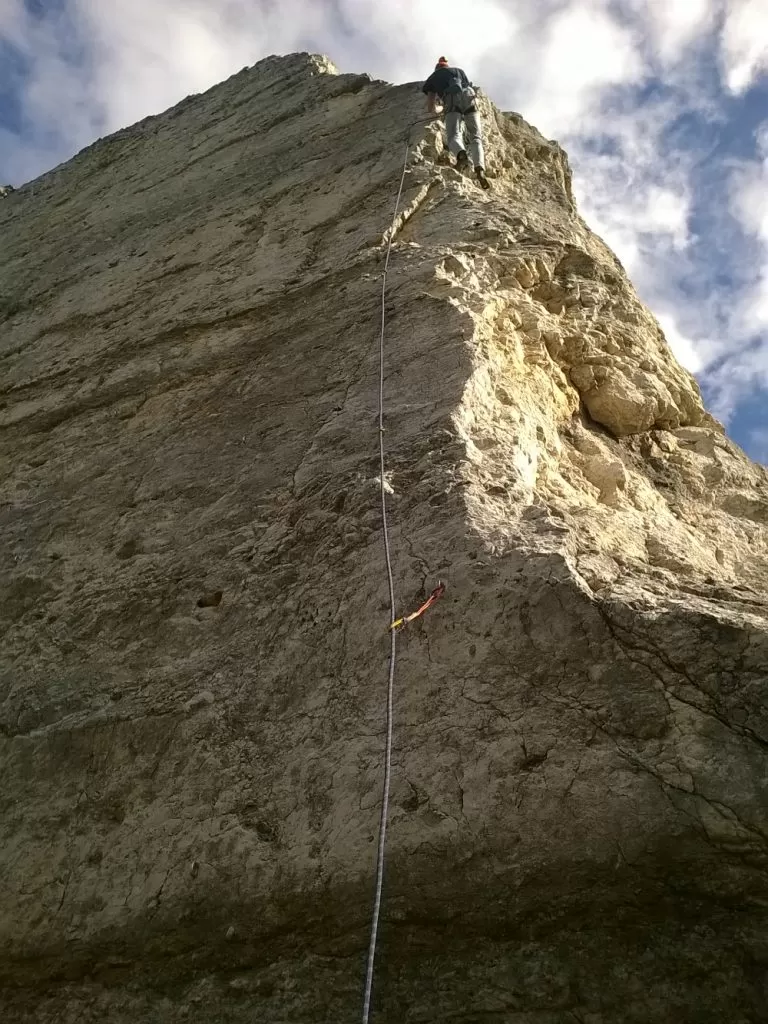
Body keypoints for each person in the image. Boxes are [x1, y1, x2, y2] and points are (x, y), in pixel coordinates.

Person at [422, 57, 490, 190]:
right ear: (447, 66)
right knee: (476, 137)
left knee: (454, 135)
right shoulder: (459, 71)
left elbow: (431, 107)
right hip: (469, 98)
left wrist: (440, 109)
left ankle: (461, 154)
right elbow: (468, 86)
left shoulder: (433, 78)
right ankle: (479, 168)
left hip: (451, 101)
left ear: (437, 68)